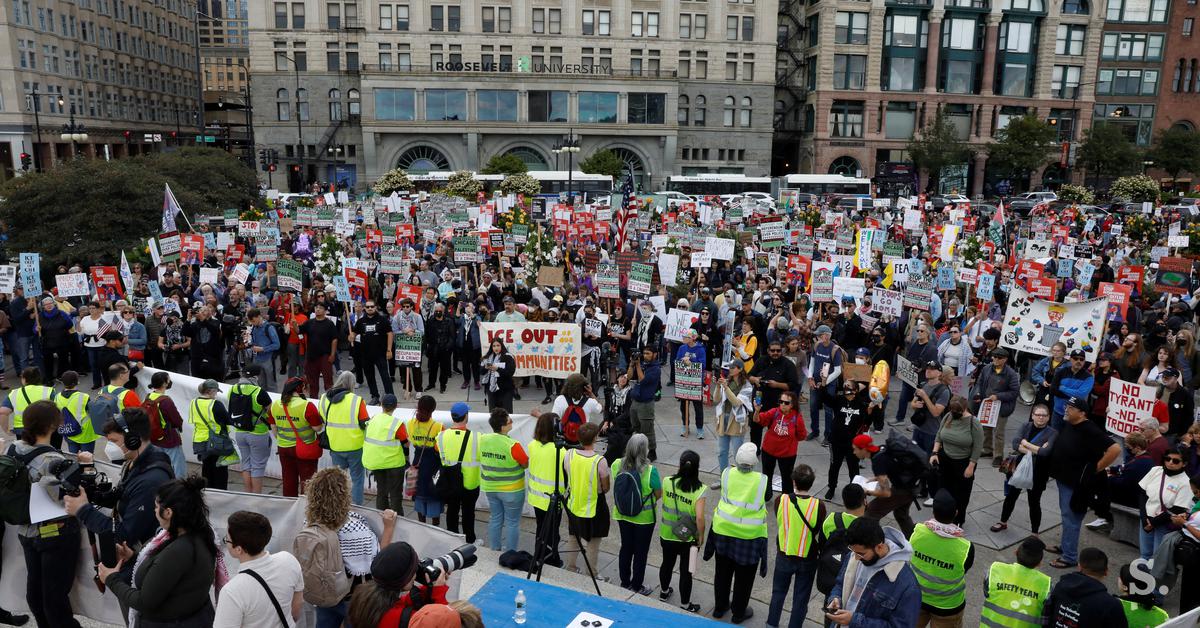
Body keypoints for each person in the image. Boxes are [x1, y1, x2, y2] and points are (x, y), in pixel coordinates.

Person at [97, 477, 226, 627]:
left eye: (157, 507)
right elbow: (169, 575)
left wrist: (111, 579)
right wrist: (133, 557)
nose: (154, 511)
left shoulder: (179, 550)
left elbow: (144, 602)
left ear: (169, 512)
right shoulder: (200, 533)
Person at [64, 408, 175, 558]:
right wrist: (88, 470)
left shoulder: (150, 482)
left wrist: (83, 510)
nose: (109, 447)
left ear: (133, 440)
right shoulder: (134, 463)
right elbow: (117, 497)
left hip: (141, 559)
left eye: (114, 441)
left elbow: (124, 534)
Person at [11, 400, 81, 628]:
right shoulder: (52, 460)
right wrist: (83, 468)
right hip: (56, 535)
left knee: (36, 590)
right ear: (54, 425)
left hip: (26, 532)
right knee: (55, 595)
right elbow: (65, 495)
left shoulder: (12, 449)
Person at [300, 467, 397, 628]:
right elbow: (378, 562)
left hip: (323, 592)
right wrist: (388, 528)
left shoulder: (309, 522)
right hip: (352, 599)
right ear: (345, 495)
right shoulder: (355, 530)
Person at [1048, 396, 1122, 569]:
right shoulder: (1070, 423)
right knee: (1066, 517)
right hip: (1064, 479)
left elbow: (1115, 449)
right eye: (1067, 406)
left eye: (1071, 407)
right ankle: (1066, 547)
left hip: (1077, 485)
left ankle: (1069, 557)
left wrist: (1096, 468)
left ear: (1082, 413)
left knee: (1071, 518)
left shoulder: (1090, 429)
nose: (1066, 409)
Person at [706, 442, 769, 623]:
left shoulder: (726, 474)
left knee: (722, 573)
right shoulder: (762, 480)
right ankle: (738, 613)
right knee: (744, 579)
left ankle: (720, 608)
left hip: (723, 531)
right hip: (749, 537)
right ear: (754, 462)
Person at [214, 511, 304, 628]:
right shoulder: (289, 560)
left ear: (239, 549)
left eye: (227, 539)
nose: (226, 541)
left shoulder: (232, 591)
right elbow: (296, 611)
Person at [825, 517, 921, 627]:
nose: (856, 558)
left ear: (879, 547)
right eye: (853, 551)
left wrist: (854, 621)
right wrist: (835, 598)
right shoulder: (856, 553)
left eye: (861, 554)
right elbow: (840, 583)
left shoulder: (908, 586)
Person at [767, 464, 827, 628]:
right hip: (807, 558)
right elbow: (817, 529)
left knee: (778, 593)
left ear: (793, 481)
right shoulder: (819, 506)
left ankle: (771, 624)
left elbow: (780, 521)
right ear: (812, 483)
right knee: (801, 598)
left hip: (784, 553)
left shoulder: (781, 500)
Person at [347, 541, 453, 628]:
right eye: (413, 571)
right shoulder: (403, 619)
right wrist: (439, 593)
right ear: (402, 580)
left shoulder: (365, 595)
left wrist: (430, 588)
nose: (415, 575)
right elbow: (445, 622)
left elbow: (400, 603)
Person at [910, 490, 975, 627]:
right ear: (956, 513)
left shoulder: (917, 531)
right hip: (948, 606)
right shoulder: (966, 547)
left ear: (933, 513)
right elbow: (963, 570)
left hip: (916, 598)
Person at [992, 404, 1058, 534]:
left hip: (1038, 472)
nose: (1041, 418)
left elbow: (1046, 452)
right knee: (1011, 496)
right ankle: (1003, 521)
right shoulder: (1025, 426)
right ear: (1032, 415)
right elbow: (1016, 444)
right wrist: (1037, 449)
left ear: (1048, 417)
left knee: (1034, 502)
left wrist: (1026, 444)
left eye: (1044, 415)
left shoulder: (1053, 433)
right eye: (1038, 415)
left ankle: (1035, 532)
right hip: (1018, 468)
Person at [612, 433, 662, 595]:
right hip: (644, 519)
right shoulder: (651, 471)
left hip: (622, 515)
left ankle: (624, 581)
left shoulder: (617, 464)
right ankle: (636, 585)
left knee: (626, 547)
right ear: (644, 451)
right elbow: (658, 494)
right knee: (641, 553)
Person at [659, 449, 706, 613]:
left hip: (667, 534)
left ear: (680, 465)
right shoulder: (700, 490)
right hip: (689, 540)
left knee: (666, 564)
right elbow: (699, 518)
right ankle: (685, 604)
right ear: (697, 468)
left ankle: (664, 593)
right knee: (688, 571)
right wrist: (701, 536)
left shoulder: (667, 481)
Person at [564, 422, 611, 576]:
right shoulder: (600, 461)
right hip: (594, 506)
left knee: (573, 535)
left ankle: (571, 567)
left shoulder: (569, 454)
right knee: (593, 541)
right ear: (595, 438)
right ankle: (592, 574)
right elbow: (605, 487)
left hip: (574, 502)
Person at [479, 408, 528, 553]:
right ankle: (510, 553)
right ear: (503, 426)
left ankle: (494, 549)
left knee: (495, 518)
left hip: (491, 488)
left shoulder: (483, 439)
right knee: (512, 523)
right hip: (512, 490)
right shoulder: (513, 445)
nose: (511, 422)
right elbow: (525, 463)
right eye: (509, 421)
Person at [853, 433, 921, 537]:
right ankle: (914, 539)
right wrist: (876, 478)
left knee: (871, 513)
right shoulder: (882, 448)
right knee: (901, 514)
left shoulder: (877, 461)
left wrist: (867, 491)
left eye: (855, 449)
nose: (854, 452)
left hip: (905, 489)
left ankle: (875, 541)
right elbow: (892, 467)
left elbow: (886, 493)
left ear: (863, 449)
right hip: (915, 483)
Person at [266, 377, 324, 497]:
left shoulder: (276, 404)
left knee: (288, 480)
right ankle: (306, 508)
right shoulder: (307, 405)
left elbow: (274, 428)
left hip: (284, 448)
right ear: (301, 388)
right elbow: (317, 428)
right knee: (308, 481)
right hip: (305, 448)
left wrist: (283, 439)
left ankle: (289, 507)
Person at [319, 370, 370, 505]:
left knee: (337, 480)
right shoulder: (357, 400)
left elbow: (323, 418)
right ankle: (356, 509)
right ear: (352, 384)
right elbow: (365, 423)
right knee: (357, 480)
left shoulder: (324, 398)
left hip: (335, 446)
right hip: (355, 447)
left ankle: (337, 506)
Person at [1042, 547, 1128, 627]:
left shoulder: (1060, 586)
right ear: (1106, 572)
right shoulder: (1111, 605)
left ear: (1079, 567)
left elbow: (1046, 617)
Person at [930, 396, 983, 526]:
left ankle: (958, 519)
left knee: (961, 494)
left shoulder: (974, 423)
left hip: (963, 462)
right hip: (945, 459)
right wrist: (935, 453)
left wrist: (971, 466)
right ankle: (942, 516)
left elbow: (977, 447)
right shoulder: (948, 416)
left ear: (964, 409)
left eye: (957, 411)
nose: (954, 413)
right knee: (943, 490)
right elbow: (939, 435)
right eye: (952, 410)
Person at [980, 536, 1051, 627]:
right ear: (1039, 563)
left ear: (1016, 552)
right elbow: (1046, 618)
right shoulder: (1046, 585)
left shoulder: (995, 570)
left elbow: (987, 593)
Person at [1137, 447, 1193, 560]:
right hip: (1146, 518)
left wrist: (1153, 523)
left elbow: (1178, 508)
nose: (1170, 463)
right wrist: (1144, 518)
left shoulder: (1186, 482)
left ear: (1184, 463)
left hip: (1164, 523)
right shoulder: (1156, 470)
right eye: (1167, 459)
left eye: (1176, 461)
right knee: (1144, 555)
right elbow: (1142, 493)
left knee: (1157, 559)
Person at [970, 347, 1020, 466]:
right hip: (987, 403)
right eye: (994, 356)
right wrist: (978, 394)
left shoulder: (1011, 373)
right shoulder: (987, 369)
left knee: (999, 432)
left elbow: (1014, 392)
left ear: (1005, 360)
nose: (996, 359)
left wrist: (998, 396)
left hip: (1002, 406)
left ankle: (998, 455)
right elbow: (980, 383)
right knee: (985, 428)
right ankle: (987, 449)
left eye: (999, 357)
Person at [526, 410, 563, 567]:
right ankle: (550, 559)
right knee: (552, 533)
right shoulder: (560, 452)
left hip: (536, 497)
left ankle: (539, 554)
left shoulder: (532, 445)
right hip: (553, 500)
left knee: (541, 529)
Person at [754, 390, 807, 501]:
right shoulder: (774, 412)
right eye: (781, 401)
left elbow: (802, 435)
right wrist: (757, 411)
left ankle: (786, 501)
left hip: (787, 455)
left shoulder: (797, 417)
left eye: (786, 403)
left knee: (787, 479)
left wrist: (790, 442)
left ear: (792, 405)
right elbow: (758, 420)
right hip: (768, 450)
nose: (782, 404)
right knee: (766, 475)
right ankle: (766, 495)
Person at [230, 364, 274, 494]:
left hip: (240, 432)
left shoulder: (233, 388)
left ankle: (248, 493)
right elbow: (270, 410)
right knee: (258, 466)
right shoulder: (259, 392)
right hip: (258, 433)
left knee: (246, 464)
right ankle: (257, 495)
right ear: (256, 376)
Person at [363, 394, 410, 514]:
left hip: (376, 462)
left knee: (381, 492)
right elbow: (405, 443)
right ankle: (397, 519)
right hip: (394, 464)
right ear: (396, 407)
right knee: (395, 495)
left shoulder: (372, 419)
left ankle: (381, 517)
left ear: (381, 405)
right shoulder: (396, 424)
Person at [828, 379, 870, 500]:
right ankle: (831, 488)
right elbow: (826, 398)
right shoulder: (839, 400)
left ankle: (855, 491)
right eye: (844, 386)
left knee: (853, 468)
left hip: (853, 444)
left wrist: (871, 411)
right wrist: (823, 383)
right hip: (836, 441)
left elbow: (867, 422)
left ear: (856, 390)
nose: (846, 388)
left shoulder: (861, 404)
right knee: (834, 466)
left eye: (849, 386)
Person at [407, 395, 445, 525]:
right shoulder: (438, 427)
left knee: (418, 493)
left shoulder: (410, 423)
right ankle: (435, 525)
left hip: (417, 461)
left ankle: (421, 524)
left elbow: (411, 441)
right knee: (434, 492)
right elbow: (441, 447)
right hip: (433, 465)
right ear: (433, 410)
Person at [143, 370, 187, 478]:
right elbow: (177, 420)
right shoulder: (165, 401)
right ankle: (179, 487)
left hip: (154, 437)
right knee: (178, 466)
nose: (170, 381)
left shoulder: (149, 397)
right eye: (168, 379)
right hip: (168, 438)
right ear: (164, 384)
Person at [714, 359, 753, 479]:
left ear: (740, 369)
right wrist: (718, 386)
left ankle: (738, 480)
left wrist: (726, 388)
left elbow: (736, 402)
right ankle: (723, 478)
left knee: (737, 454)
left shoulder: (747, 385)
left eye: (733, 367)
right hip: (723, 418)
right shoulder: (727, 381)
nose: (730, 369)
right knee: (722, 452)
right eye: (729, 367)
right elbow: (716, 399)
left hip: (737, 421)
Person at [350, 300, 395, 405]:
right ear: (365, 308)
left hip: (380, 354)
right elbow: (354, 333)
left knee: (385, 376)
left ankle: (391, 397)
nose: (370, 308)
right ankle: (374, 396)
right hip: (366, 354)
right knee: (370, 377)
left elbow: (390, 334)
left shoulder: (382, 319)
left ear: (376, 307)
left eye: (372, 306)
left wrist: (389, 350)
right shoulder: (361, 321)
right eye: (368, 307)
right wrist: (351, 336)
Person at [190, 378, 231, 490]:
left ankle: (207, 491)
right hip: (216, 441)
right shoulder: (216, 404)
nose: (216, 394)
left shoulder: (194, 402)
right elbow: (228, 420)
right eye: (216, 391)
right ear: (210, 391)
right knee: (220, 472)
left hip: (200, 441)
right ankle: (220, 494)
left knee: (207, 469)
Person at [807, 324, 844, 444]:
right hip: (815, 382)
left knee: (828, 410)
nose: (817, 338)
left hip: (829, 384)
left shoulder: (834, 350)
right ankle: (815, 430)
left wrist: (825, 382)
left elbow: (838, 370)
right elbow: (811, 362)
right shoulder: (817, 345)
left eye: (819, 335)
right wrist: (810, 377)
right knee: (813, 407)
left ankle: (828, 435)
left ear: (826, 336)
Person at [0, 366, 57, 437]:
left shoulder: (14, 393)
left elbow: (3, 412)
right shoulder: (49, 391)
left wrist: (6, 430)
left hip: (22, 430)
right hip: (44, 428)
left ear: (24, 379)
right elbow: (57, 411)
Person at [629, 345, 662, 461]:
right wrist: (632, 364)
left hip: (646, 403)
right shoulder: (642, 364)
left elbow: (643, 380)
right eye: (644, 353)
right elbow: (629, 376)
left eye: (648, 353)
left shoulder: (656, 369)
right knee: (636, 427)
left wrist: (637, 366)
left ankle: (652, 451)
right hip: (635, 401)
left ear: (655, 354)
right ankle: (639, 448)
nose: (645, 356)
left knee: (647, 429)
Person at [300, 302, 338, 395]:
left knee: (328, 382)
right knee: (312, 382)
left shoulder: (329, 324)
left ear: (325, 311)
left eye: (320, 308)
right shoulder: (309, 322)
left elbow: (334, 340)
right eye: (316, 307)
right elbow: (299, 331)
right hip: (311, 356)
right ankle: (313, 401)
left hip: (325, 356)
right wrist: (294, 324)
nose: (317, 309)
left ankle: (330, 400)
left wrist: (332, 355)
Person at [57, 370, 99, 454]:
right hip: (85, 434)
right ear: (77, 382)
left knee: (74, 457)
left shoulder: (57, 397)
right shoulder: (84, 397)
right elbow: (93, 412)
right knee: (87, 458)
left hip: (68, 431)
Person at [1051, 349, 1095, 429]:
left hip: (1075, 417)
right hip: (1057, 412)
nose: (1079, 361)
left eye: (1081, 359)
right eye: (1075, 358)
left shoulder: (1088, 377)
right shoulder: (1061, 371)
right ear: (1070, 359)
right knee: (1053, 437)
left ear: (1084, 361)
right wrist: (1074, 395)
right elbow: (1053, 390)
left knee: (1069, 440)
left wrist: (1062, 388)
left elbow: (1081, 395)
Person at [1117, 561, 1170, 627]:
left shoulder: (1114, 607)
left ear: (1125, 587)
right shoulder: (1163, 615)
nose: (1118, 578)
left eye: (1120, 577)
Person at [246, 308, 281, 391]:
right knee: (261, 383)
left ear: (258, 317)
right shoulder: (254, 327)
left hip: (268, 359)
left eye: (253, 321)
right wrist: (249, 342)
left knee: (271, 384)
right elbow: (254, 341)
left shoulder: (269, 328)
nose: (252, 323)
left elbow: (277, 345)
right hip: (257, 359)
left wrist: (263, 349)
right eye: (251, 322)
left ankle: (273, 401)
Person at [481, 338, 516, 413]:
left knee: (506, 412)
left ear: (502, 346)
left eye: (498, 345)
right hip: (492, 390)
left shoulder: (508, 357)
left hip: (505, 390)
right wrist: (486, 368)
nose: (496, 348)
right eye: (494, 346)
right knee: (494, 413)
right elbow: (481, 371)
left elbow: (510, 372)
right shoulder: (487, 357)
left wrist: (497, 369)